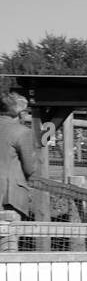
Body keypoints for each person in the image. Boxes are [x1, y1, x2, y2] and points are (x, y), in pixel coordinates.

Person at [0, 92, 37, 221]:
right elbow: (29, 168)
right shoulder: (22, 132)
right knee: (8, 239)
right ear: (20, 113)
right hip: (9, 197)